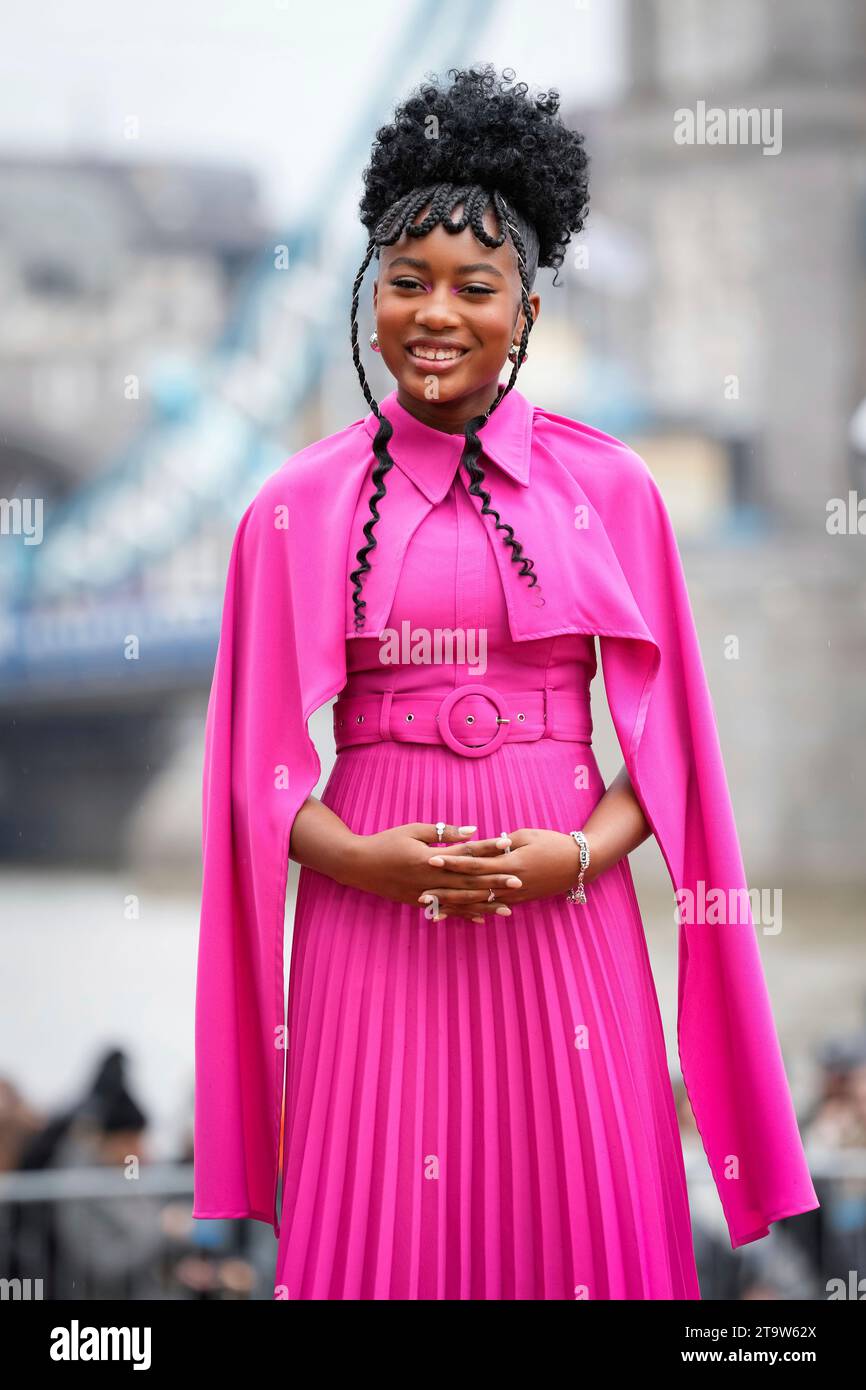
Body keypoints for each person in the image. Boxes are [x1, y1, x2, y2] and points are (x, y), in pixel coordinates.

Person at [193, 64, 819, 1300]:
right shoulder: (287, 509)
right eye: (405, 281)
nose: (436, 312)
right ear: (368, 299)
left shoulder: (618, 493)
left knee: (579, 1212)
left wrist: (574, 859)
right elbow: (252, 780)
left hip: (566, 912)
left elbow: (671, 760)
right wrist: (366, 862)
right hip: (369, 921)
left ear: (526, 307)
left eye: (474, 287)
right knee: (375, 1223)